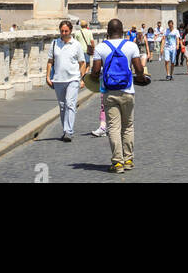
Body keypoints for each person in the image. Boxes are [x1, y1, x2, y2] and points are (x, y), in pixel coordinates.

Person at [90, 18, 146, 173]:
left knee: (113, 127)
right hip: (128, 91)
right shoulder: (131, 46)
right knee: (128, 126)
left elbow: (95, 72)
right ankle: (128, 160)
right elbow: (139, 70)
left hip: (109, 92)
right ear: (123, 31)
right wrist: (141, 77)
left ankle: (117, 162)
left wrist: (93, 78)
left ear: (107, 32)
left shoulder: (101, 47)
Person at [47, 19, 87, 141]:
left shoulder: (76, 45)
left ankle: (68, 131)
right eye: (62, 31)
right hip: (58, 79)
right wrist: (47, 76)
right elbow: (50, 61)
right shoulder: (54, 43)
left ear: (70, 31)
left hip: (73, 79)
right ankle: (65, 129)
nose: (64, 33)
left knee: (70, 103)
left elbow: (82, 63)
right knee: (62, 105)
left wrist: (82, 78)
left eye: (66, 31)